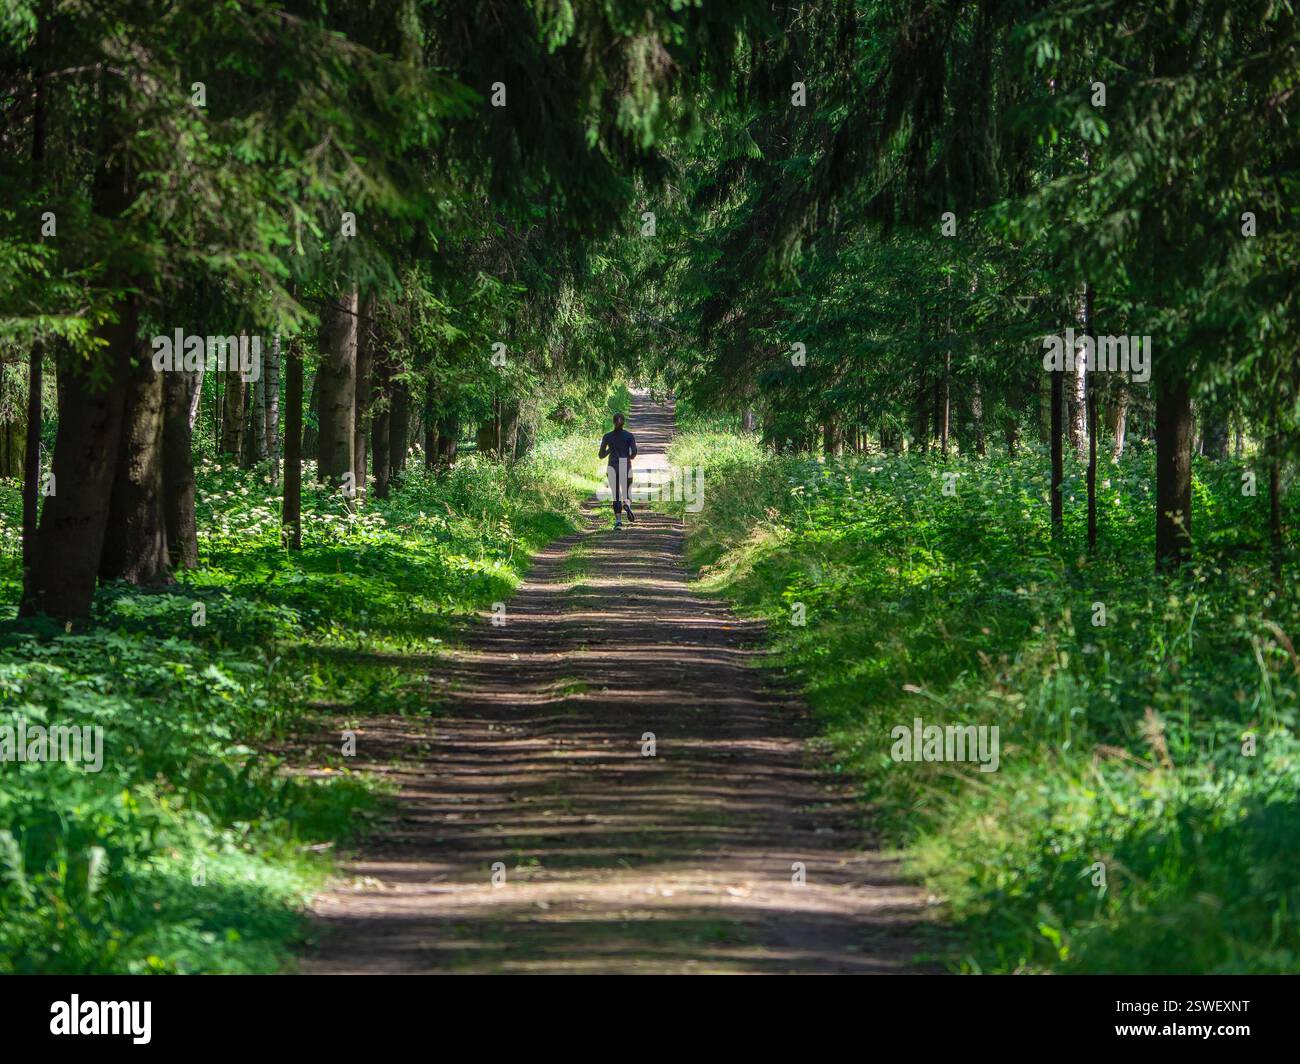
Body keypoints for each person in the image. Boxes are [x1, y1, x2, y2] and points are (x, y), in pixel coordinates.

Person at [599, 412, 637, 528]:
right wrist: (628, 458)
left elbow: (601, 455)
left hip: (612, 466)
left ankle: (618, 522)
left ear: (613, 422)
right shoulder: (629, 436)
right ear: (623, 422)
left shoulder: (607, 436)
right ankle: (627, 505)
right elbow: (634, 452)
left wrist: (610, 450)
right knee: (627, 491)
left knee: (616, 495)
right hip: (625, 465)